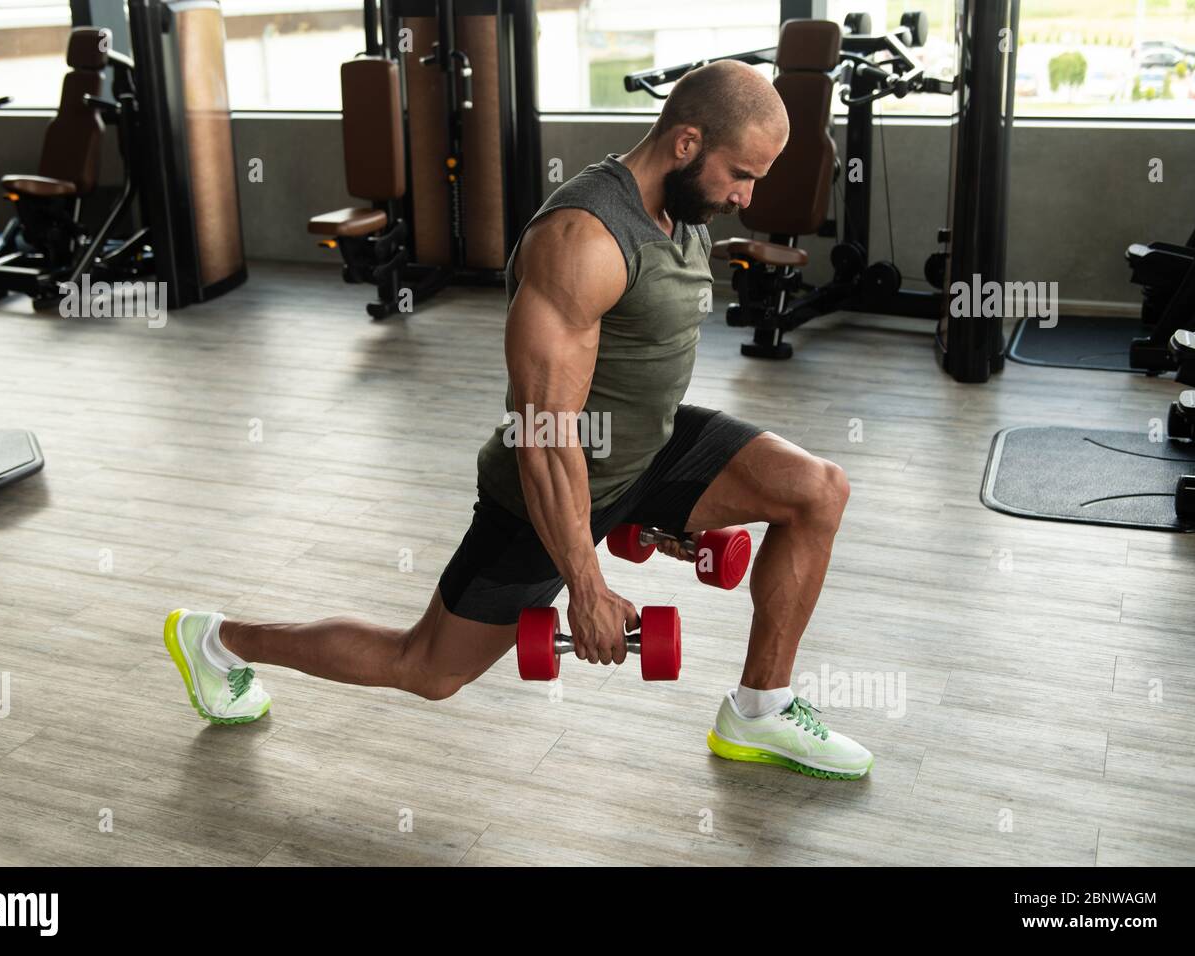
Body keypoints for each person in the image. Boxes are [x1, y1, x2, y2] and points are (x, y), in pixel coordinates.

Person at [164, 60, 872, 780]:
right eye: (741, 175)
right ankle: (218, 639)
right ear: (686, 142)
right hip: (549, 484)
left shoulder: (686, 207)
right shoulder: (581, 239)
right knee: (428, 668)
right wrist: (587, 587)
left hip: (651, 444)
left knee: (817, 489)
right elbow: (544, 435)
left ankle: (758, 712)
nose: (746, 196)